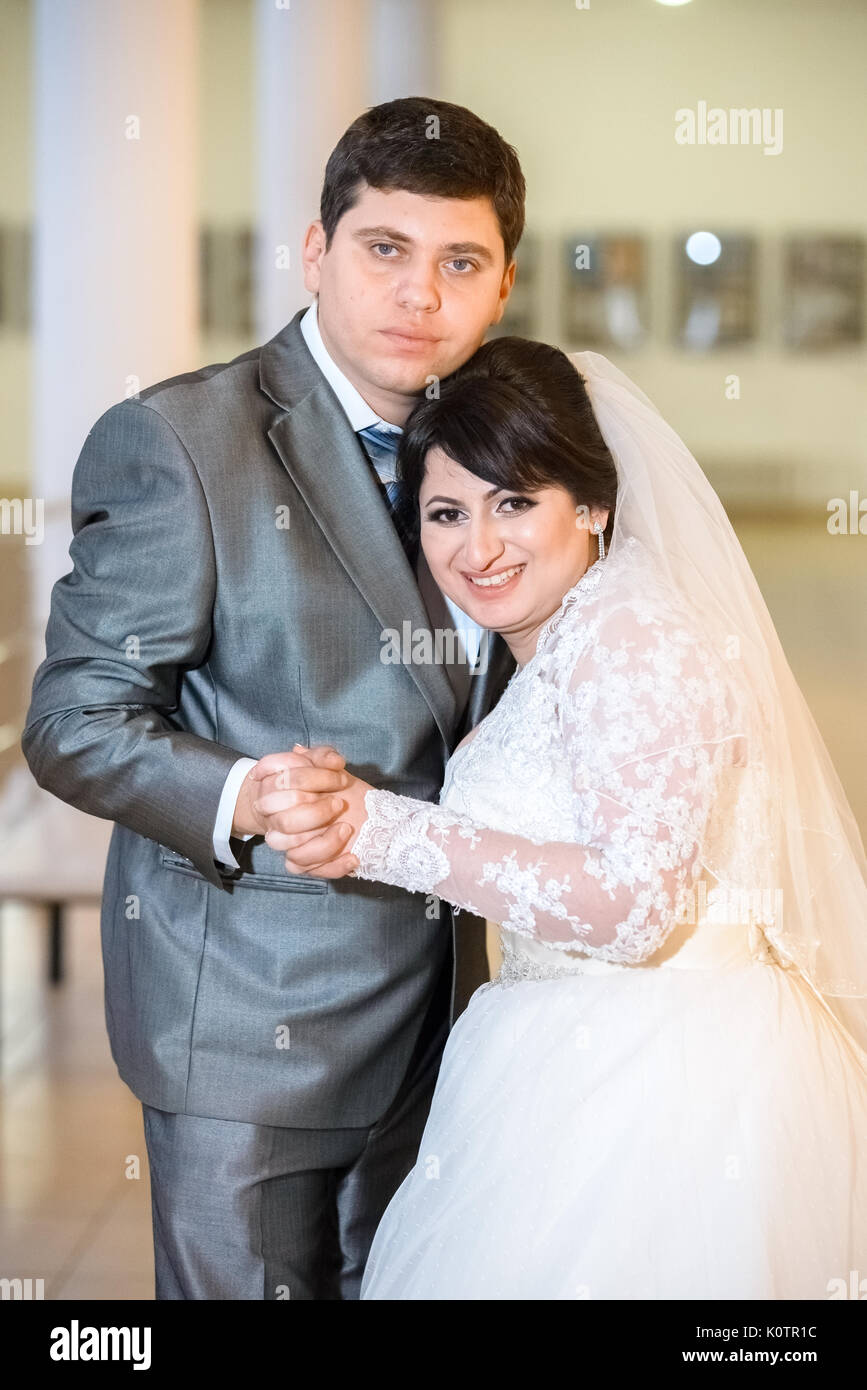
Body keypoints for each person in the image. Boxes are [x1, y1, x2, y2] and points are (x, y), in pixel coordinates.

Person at [21, 96, 525, 1300]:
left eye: (461, 262)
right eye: (385, 251)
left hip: (453, 1025)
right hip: (248, 1027)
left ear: (502, 288)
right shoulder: (180, 443)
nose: (421, 295)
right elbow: (73, 718)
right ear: (317, 253)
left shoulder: (509, 458)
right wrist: (244, 792)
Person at [250, 337, 867, 1299]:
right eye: (446, 513)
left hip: (662, 1086)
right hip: (575, 1050)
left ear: (592, 504)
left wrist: (379, 830)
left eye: (514, 502)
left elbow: (632, 906)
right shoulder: (565, 631)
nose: (478, 547)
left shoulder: (631, 637)